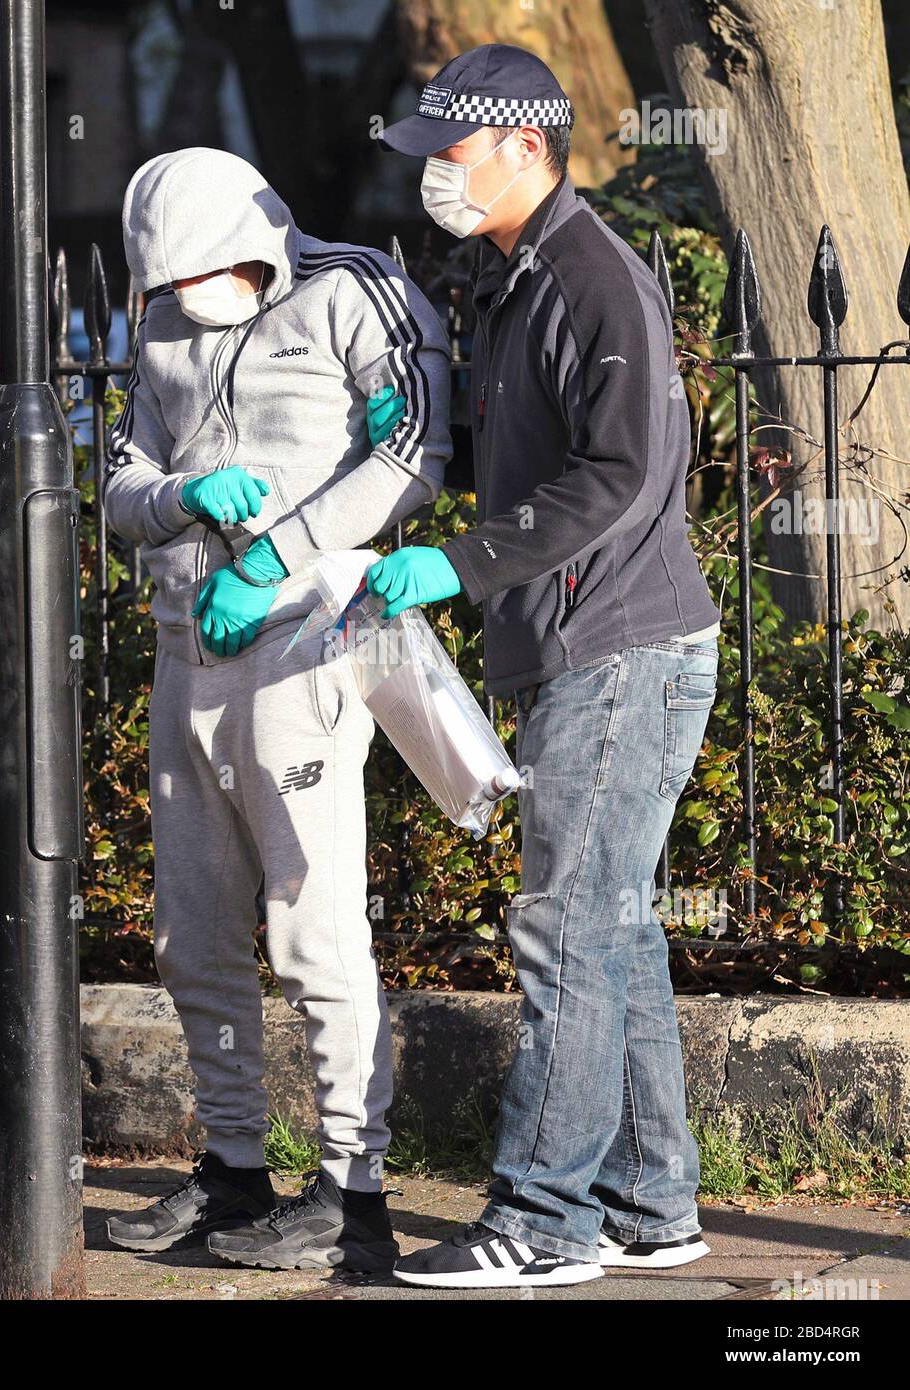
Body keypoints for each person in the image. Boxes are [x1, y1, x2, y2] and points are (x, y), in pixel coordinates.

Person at [371, 44, 722, 1289]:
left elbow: (619, 471)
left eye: (449, 155)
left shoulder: (590, 274)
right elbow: (537, 456)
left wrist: (455, 565)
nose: (432, 180)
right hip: (595, 644)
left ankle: (543, 1219)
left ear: (527, 145)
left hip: (619, 647)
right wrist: (443, 448)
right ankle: (648, 1203)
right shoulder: (515, 276)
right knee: (611, 931)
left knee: (566, 928)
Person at [102, 148, 451, 1273]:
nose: (182, 309)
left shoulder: (352, 289)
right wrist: (176, 498)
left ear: (260, 249)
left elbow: (413, 454)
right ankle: (234, 1171)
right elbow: (117, 479)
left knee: (313, 925)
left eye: (203, 280)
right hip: (183, 643)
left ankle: (354, 1193)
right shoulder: (156, 319)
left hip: (304, 640)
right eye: (164, 292)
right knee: (191, 931)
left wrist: (280, 554)